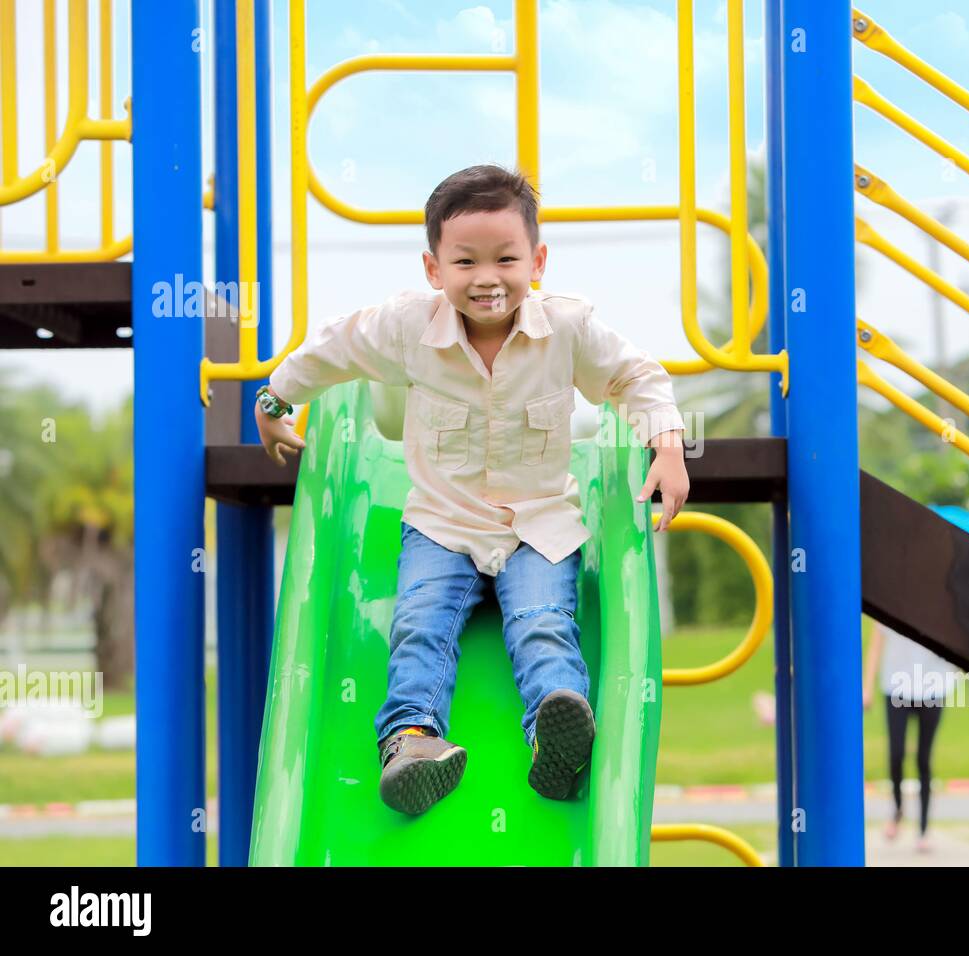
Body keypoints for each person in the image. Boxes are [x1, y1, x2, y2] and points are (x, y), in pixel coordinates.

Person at [253, 164, 690, 815]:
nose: (487, 277)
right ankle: (410, 740)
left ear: (537, 260)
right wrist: (274, 399)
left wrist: (669, 444)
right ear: (434, 268)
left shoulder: (567, 329)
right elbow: (333, 348)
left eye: (507, 258)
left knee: (543, 624)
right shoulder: (408, 328)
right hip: (442, 526)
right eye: (465, 262)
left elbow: (636, 376)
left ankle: (555, 741)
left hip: (538, 525)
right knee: (419, 625)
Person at [862, 620, 953, 854]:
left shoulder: (939, 602)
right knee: (896, 754)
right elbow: (876, 645)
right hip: (896, 687)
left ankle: (923, 830)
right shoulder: (890, 600)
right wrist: (867, 686)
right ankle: (897, 809)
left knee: (923, 759)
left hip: (933, 688)